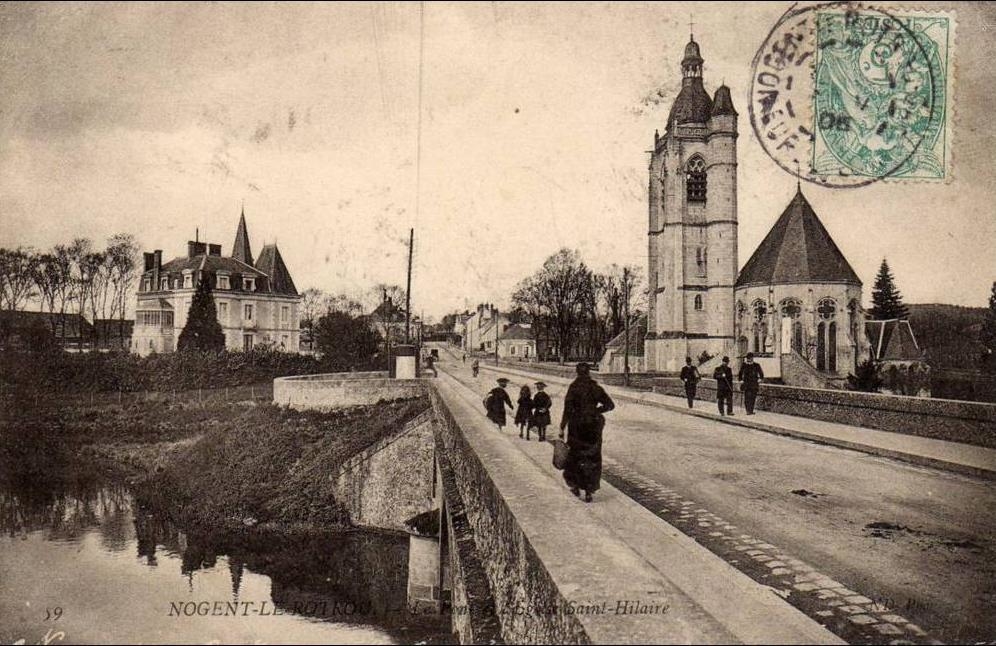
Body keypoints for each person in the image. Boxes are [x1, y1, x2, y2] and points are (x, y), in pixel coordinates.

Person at [559, 363, 615, 503]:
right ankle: (589, 490)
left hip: (576, 426)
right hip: (593, 427)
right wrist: (596, 411)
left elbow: (567, 409)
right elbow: (610, 405)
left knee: (575, 456)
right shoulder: (595, 387)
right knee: (593, 457)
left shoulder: (573, 388)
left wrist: (562, 427)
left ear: (577, 372)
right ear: (589, 372)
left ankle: (576, 485)